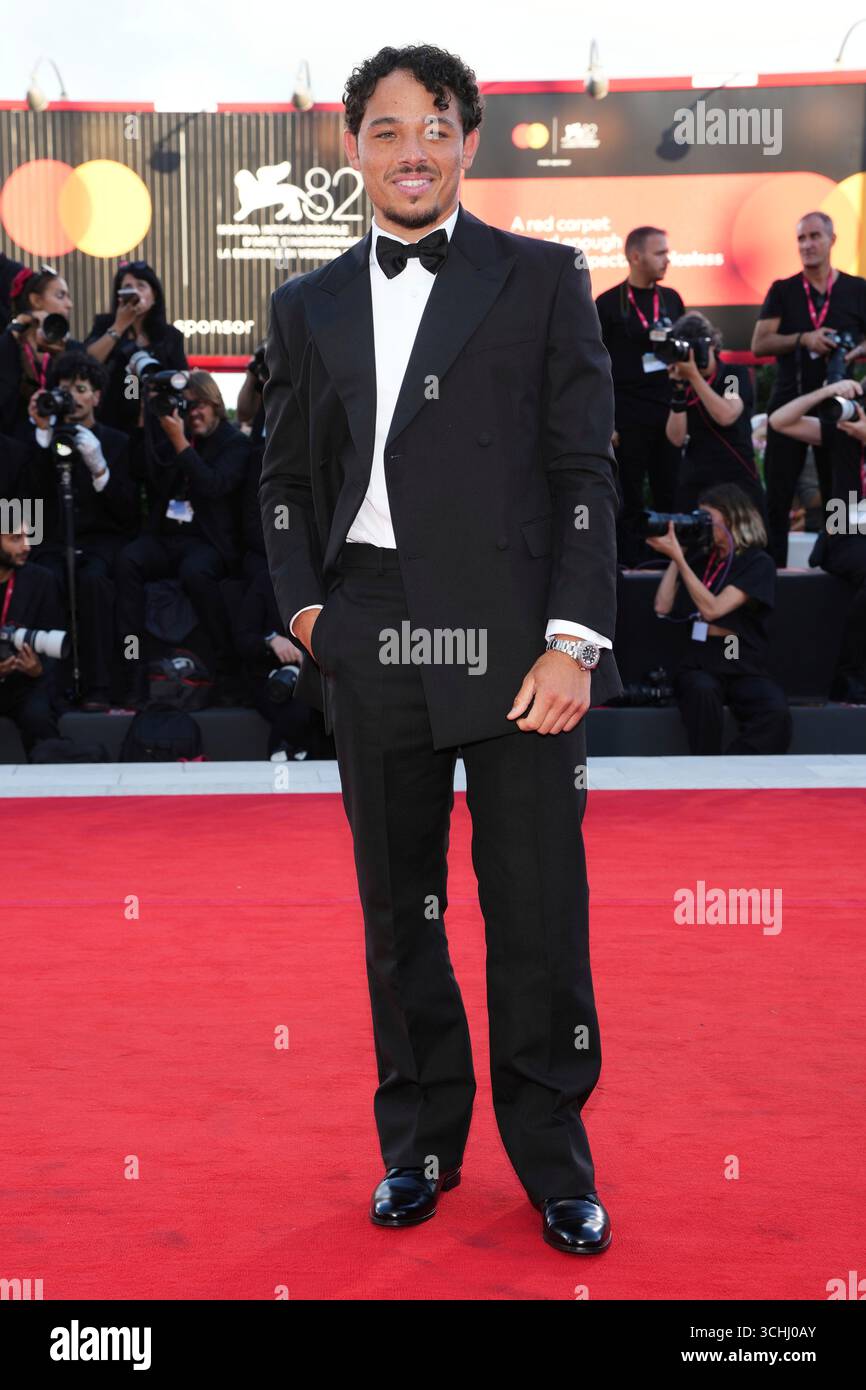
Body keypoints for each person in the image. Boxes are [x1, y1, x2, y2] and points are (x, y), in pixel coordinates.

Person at [260, 44, 622, 1256]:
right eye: (383, 130)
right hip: (370, 633)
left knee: (536, 911)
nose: (409, 151)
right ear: (349, 147)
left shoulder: (540, 278)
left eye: (433, 128)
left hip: (519, 643)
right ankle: (416, 1145)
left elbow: (583, 474)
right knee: (397, 913)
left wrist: (572, 640)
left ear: (470, 142)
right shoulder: (305, 303)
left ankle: (555, 1163)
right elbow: (284, 480)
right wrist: (310, 617)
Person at [115, 371, 249, 705]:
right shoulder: (175, 433)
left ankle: (225, 664)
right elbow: (140, 471)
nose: (193, 413)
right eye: (186, 406)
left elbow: (213, 485)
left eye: (200, 405)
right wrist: (148, 422)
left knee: (195, 572)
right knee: (128, 560)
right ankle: (131, 661)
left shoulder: (235, 444)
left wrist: (180, 444)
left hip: (209, 541)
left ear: (215, 403)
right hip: (167, 538)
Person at [21, 351, 137, 710]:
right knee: (45, 581)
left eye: (81, 389)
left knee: (95, 584)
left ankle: (99, 687)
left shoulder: (117, 442)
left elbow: (129, 512)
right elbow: (28, 499)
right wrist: (42, 437)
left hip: (100, 543)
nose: (72, 396)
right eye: (64, 389)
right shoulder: (45, 438)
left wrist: (100, 469)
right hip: (54, 541)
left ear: (96, 397)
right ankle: (47, 684)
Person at [751, 211, 866, 566]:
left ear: (832, 240)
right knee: (779, 499)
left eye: (814, 236)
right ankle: (774, 577)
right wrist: (805, 338)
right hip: (792, 402)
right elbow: (760, 344)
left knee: (838, 493)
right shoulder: (783, 290)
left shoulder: (856, 289)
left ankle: (836, 563)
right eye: (801, 238)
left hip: (840, 405)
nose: (807, 245)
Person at [648, 482, 791, 754]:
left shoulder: (757, 562)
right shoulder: (702, 558)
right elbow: (662, 606)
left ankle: (735, 764)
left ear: (732, 518)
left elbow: (713, 609)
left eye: (708, 519)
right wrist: (679, 556)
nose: (703, 525)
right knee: (701, 691)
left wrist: (679, 557)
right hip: (702, 656)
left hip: (739, 656)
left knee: (774, 710)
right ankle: (706, 764)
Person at [769, 377, 866, 702]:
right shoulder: (844, 435)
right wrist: (826, 391)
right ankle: (849, 673)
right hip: (846, 536)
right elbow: (779, 420)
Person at [595, 226, 684, 565]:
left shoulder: (672, 298)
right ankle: (629, 568)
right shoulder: (607, 303)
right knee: (628, 497)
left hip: (669, 417)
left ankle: (671, 564)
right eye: (659, 252)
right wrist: (607, 424)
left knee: (670, 492)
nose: (667, 259)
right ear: (636, 256)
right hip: (627, 420)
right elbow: (595, 369)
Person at [665, 311, 767, 522]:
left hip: (735, 474)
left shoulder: (732, 374)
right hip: (697, 476)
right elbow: (675, 438)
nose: (693, 358)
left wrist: (694, 377)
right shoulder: (681, 380)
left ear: (713, 345)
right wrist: (678, 390)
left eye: (698, 349)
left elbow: (726, 415)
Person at [84, 261, 188, 437]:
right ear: (119, 295)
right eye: (128, 287)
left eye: (141, 286)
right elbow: (88, 362)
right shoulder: (105, 325)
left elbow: (182, 377)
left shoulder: (169, 336)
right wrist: (120, 325)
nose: (135, 293)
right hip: (112, 421)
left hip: (157, 424)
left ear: (154, 295)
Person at [0, 523, 63, 755]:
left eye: (27, 536)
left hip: (24, 684)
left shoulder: (41, 580)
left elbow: (54, 640)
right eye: (15, 538)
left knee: (39, 718)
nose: (27, 546)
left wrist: (37, 670)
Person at [0, 266, 76, 436]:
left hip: (61, 443)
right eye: (60, 296)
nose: (69, 305)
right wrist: (17, 327)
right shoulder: (9, 345)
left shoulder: (72, 350)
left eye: (68, 297)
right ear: (36, 300)